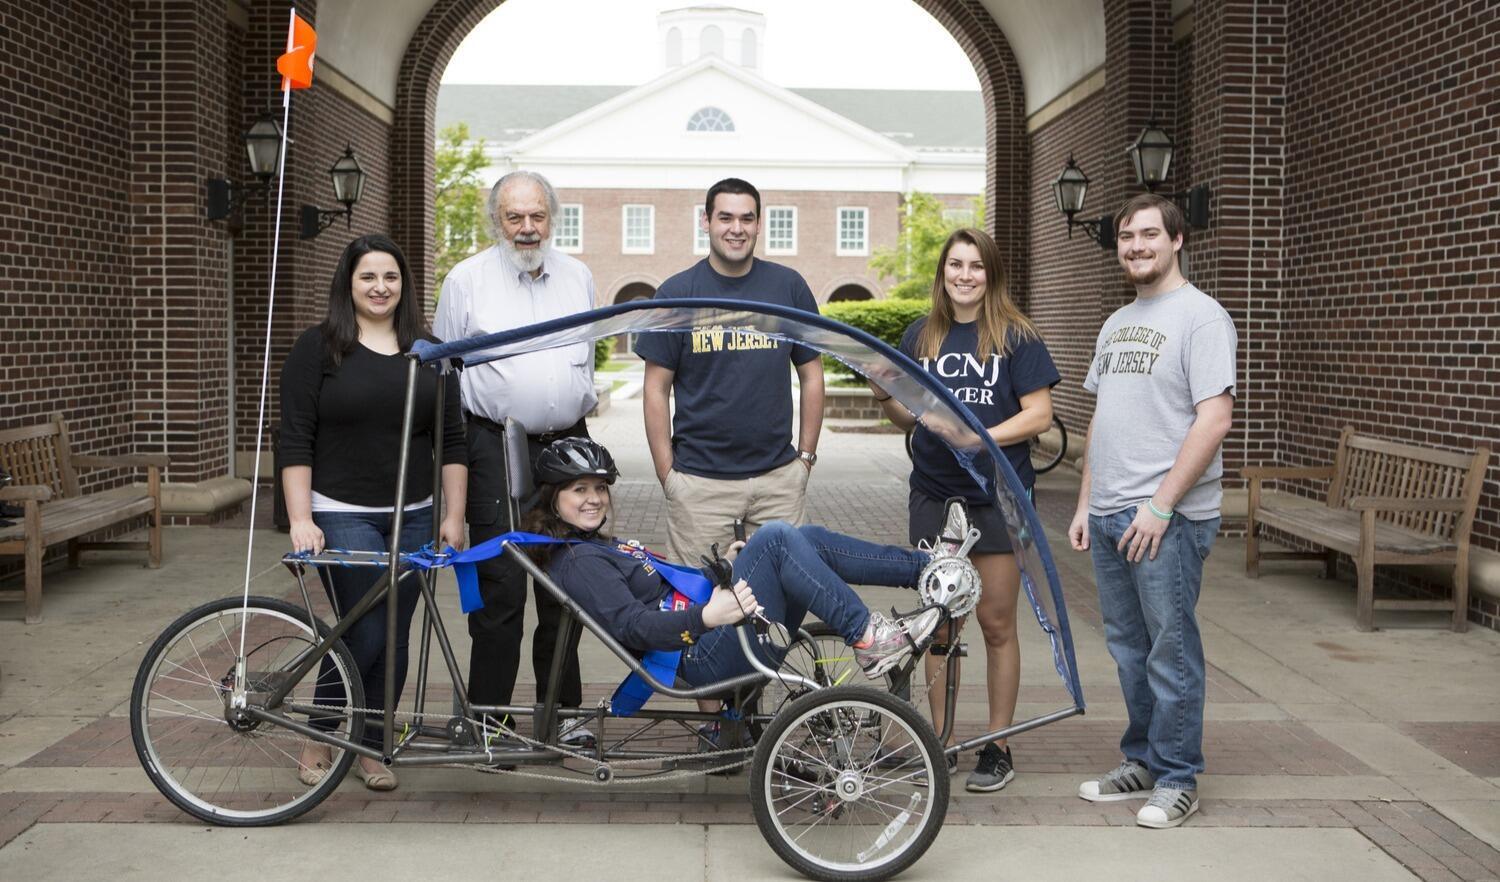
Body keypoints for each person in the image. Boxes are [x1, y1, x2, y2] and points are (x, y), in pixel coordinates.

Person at [522, 437, 965, 697]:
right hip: (700, 658)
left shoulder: (590, 545)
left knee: (800, 539)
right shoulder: (579, 561)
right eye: (579, 489)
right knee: (776, 538)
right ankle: (870, 638)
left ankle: (927, 567)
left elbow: (663, 594)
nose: (593, 498)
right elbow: (634, 627)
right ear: (552, 500)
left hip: (709, 638)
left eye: (599, 488)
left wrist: (722, 574)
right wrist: (708, 615)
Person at [1067, 193, 1236, 829]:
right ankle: (1140, 758)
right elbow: (1106, 421)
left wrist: (1161, 507)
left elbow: (1214, 419)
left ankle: (1176, 775)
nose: (1135, 246)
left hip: (1165, 519)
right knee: (1129, 650)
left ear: (1176, 240)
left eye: (1147, 235)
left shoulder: (1202, 319)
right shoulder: (1116, 322)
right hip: (1111, 515)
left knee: (1171, 650)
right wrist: (1087, 502)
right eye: (1126, 238)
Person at [871, 228, 1059, 794]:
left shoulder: (1016, 336)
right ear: (943, 272)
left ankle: (998, 746)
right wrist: (888, 398)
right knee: (939, 624)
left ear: (990, 273)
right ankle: (943, 742)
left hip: (996, 498)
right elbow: (907, 417)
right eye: (955, 264)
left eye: (976, 266)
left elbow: (1040, 415)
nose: (965, 275)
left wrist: (979, 438)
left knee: (997, 623)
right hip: (935, 495)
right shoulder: (920, 334)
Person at [280, 234, 468, 791]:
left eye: (390, 276)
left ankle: (370, 745)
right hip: (340, 511)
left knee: (396, 634)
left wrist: (452, 517)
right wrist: (300, 518)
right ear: (349, 283)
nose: (380, 287)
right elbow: (295, 439)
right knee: (364, 630)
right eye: (368, 277)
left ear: (404, 284)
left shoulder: (428, 353)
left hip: (414, 513)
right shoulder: (318, 349)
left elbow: (452, 444)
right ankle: (322, 733)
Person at [434, 170, 597, 733]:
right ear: (496, 222)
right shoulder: (465, 281)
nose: (527, 228)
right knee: (501, 588)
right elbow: (445, 378)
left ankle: (562, 714)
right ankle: (487, 717)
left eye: (537, 216)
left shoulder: (578, 277)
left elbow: (585, 366)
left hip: (570, 446)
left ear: (552, 217)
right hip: (492, 446)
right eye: (514, 217)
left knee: (566, 583)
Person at [635, 177, 824, 565]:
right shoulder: (677, 294)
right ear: (705, 221)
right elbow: (656, 389)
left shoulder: (788, 288)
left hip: (778, 482)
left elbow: (811, 374)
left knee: (781, 606)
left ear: (759, 223)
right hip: (699, 486)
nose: (736, 229)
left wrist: (805, 459)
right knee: (702, 608)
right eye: (725, 218)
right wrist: (668, 475)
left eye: (746, 219)